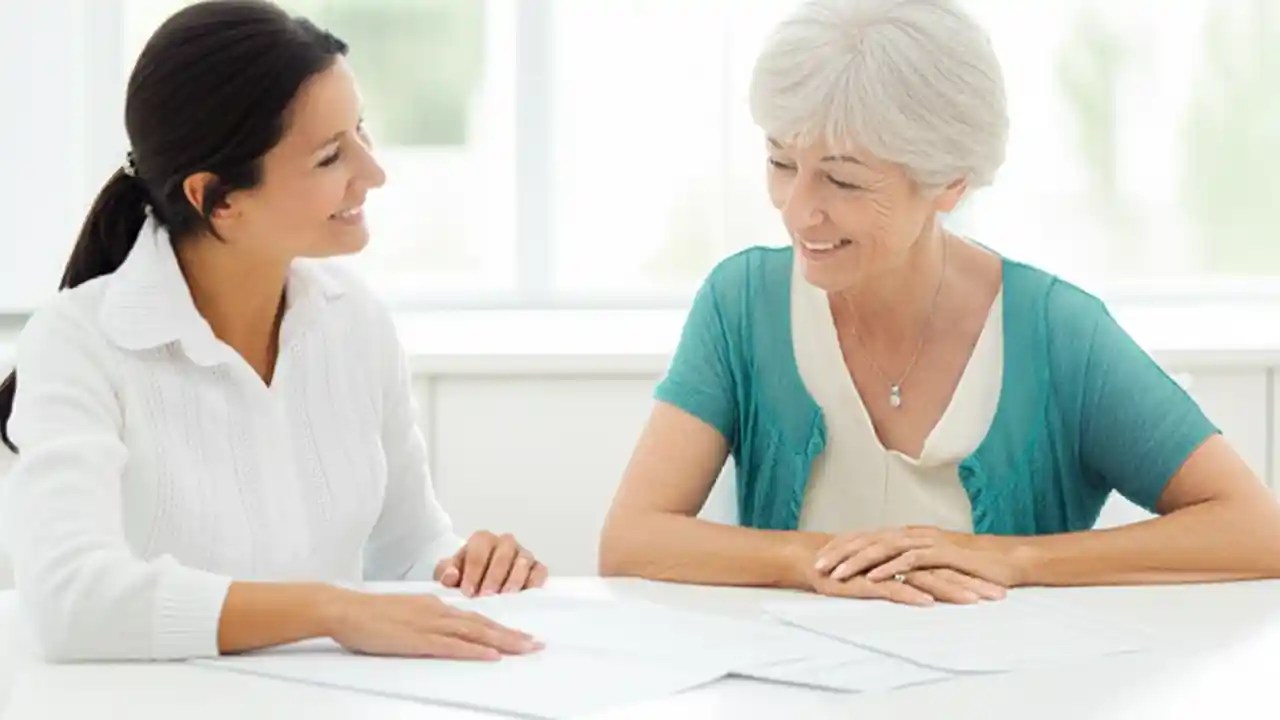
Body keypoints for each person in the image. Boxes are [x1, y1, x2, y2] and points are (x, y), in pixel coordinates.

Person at [599, 0, 1280, 606]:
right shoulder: (738, 305)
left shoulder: (1058, 331)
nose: (799, 211)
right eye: (782, 165)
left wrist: (1014, 559)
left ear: (950, 183)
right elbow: (631, 539)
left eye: (841, 179)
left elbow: (1256, 532)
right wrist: (813, 560)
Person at [0, 0, 545, 663]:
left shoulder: (356, 322)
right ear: (216, 199)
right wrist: (330, 609)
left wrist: (467, 570)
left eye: (362, 132)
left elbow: (406, 552)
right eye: (328, 157)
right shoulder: (78, 341)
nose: (374, 173)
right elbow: (72, 601)